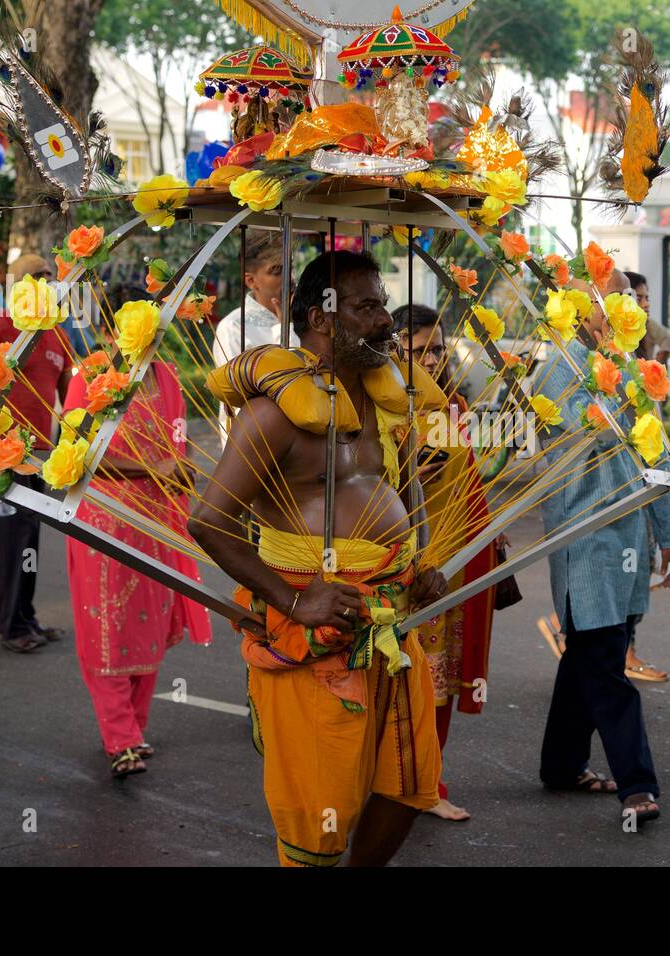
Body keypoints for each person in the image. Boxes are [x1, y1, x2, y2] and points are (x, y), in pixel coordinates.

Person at [191, 250, 449, 867]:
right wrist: (294, 600)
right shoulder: (273, 415)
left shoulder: (385, 405)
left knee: (411, 784)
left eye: (382, 303)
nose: (386, 320)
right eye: (367, 307)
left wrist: (418, 562)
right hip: (318, 631)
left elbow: (402, 486)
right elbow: (208, 521)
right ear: (322, 318)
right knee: (320, 811)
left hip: (392, 617)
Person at [534, 269, 670, 827]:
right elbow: (592, 437)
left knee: (589, 653)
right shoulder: (559, 367)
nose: (629, 306)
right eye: (614, 296)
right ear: (580, 306)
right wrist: (612, 377)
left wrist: (669, 535)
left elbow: (658, 458)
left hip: (629, 539)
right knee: (603, 664)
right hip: (584, 535)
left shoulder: (635, 372)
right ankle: (637, 783)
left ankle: (561, 765)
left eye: (631, 297)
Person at [65, 340, 212, 777]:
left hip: (157, 517)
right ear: (115, 335)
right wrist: (152, 469)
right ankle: (120, 738)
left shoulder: (166, 375)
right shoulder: (89, 376)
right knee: (107, 627)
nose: (143, 344)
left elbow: (179, 439)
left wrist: (182, 467)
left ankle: (136, 728)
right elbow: (76, 453)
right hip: (105, 519)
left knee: (148, 623)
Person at [393, 303, 500, 822]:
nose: (431, 359)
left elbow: (468, 484)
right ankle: (403, 782)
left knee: (441, 685)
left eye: (437, 349)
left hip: (454, 566)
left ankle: (427, 780)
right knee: (407, 682)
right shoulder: (385, 412)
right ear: (393, 351)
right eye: (417, 351)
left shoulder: (452, 406)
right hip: (405, 569)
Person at [0, 254, 73, 653]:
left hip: (42, 454)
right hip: (4, 454)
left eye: (48, 277)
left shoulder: (56, 332)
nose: (45, 283)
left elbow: (66, 398)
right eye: (35, 277)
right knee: (15, 537)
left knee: (30, 535)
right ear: (15, 285)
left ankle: (26, 617)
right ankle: (11, 626)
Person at [621, 269, 670, 682]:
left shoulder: (640, 354)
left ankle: (622, 646)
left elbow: (669, 339)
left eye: (644, 298)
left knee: (643, 566)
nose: (641, 305)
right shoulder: (602, 363)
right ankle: (624, 650)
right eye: (633, 298)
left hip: (650, 477)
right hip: (624, 490)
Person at [212, 232, 286, 443]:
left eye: (290, 267)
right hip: (252, 444)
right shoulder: (233, 327)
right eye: (277, 271)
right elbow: (239, 398)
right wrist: (283, 329)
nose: (289, 277)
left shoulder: (304, 318)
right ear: (252, 281)